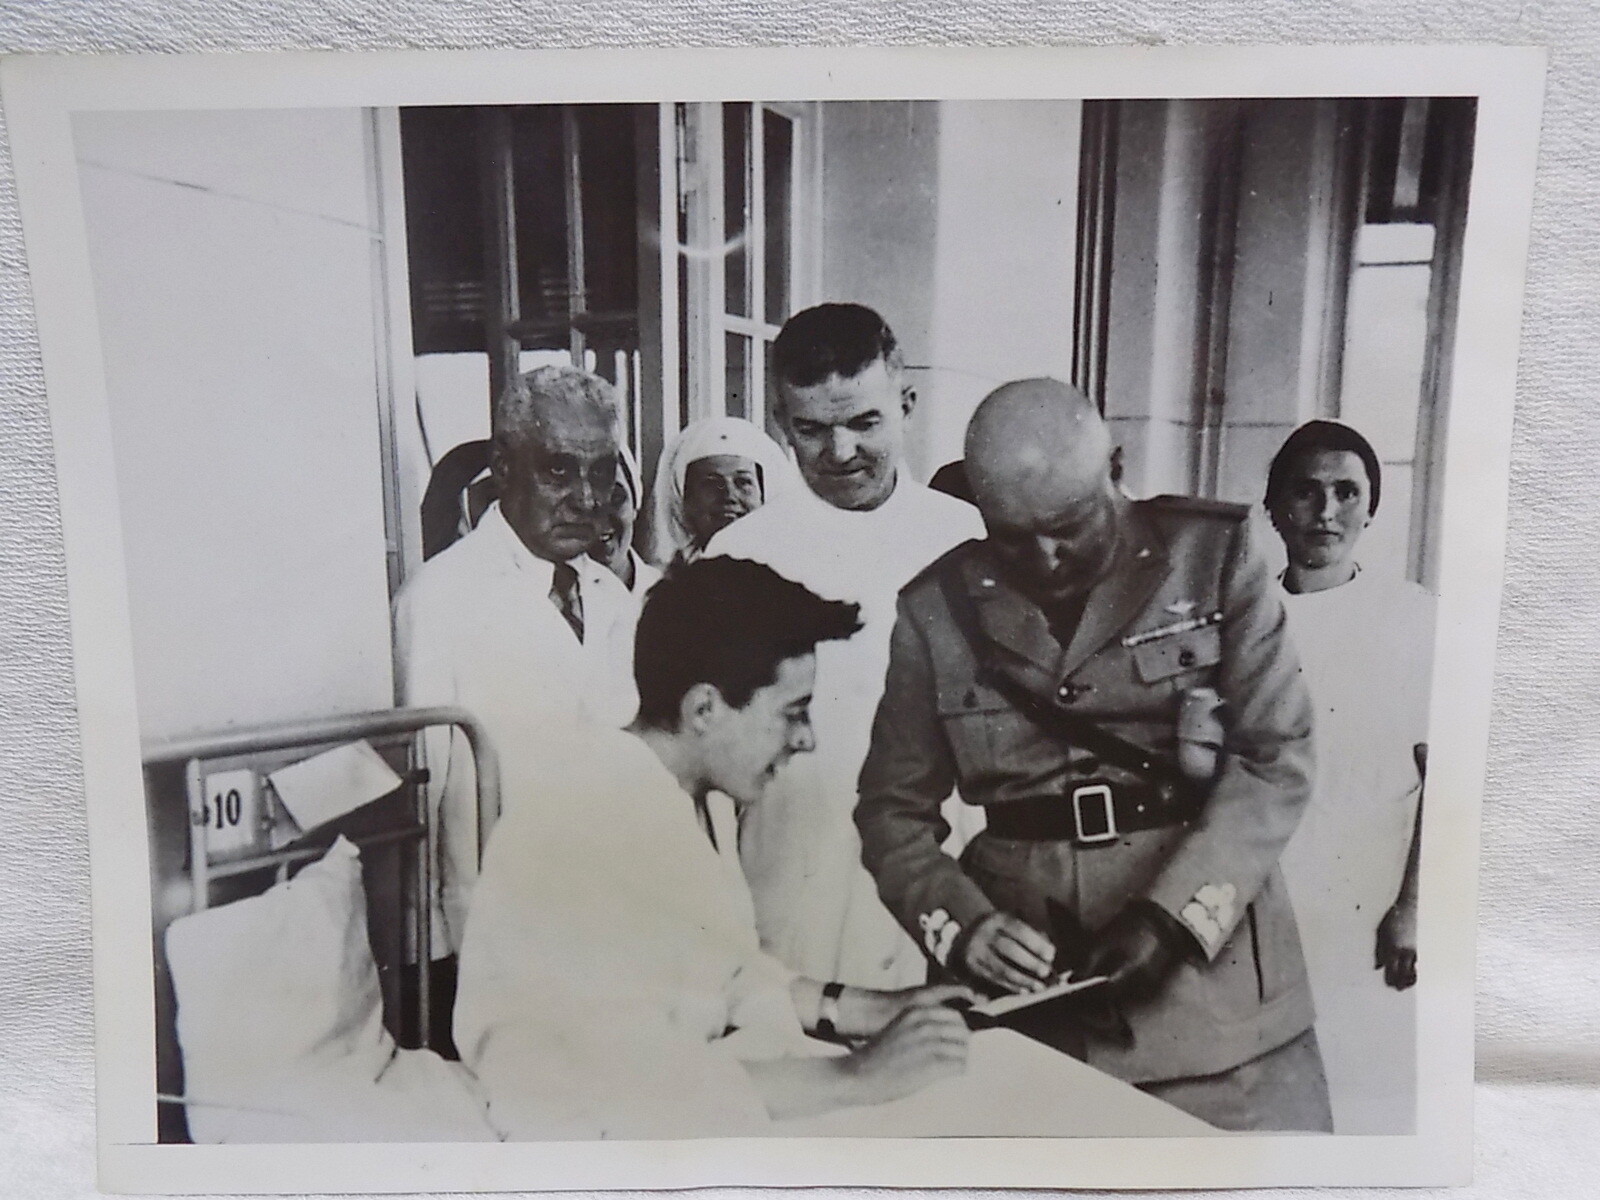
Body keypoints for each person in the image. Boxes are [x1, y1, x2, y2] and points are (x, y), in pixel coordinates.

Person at [856, 378, 1331, 1132]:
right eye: (1011, 535)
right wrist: (966, 928)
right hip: (1028, 1009)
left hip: (1218, 1011)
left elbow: (1276, 758)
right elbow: (891, 813)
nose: (1043, 558)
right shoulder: (935, 610)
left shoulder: (1212, 555)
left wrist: (1171, 920)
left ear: (1115, 467)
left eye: (1067, 526)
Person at [452, 558, 975, 1139]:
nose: (807, 739)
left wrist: (873, 1008)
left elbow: (720, 976)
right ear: (703, 709)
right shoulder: (585, 824)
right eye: (793, 713)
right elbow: (614, 1080)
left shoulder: (682, 796)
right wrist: (854, 1075)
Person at [706, 302, 986, 990]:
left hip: (957, 892)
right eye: (811, 429)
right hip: (789, 889)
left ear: (906, 405)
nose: (839, 452)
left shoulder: (971, 540)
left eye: (864, 423)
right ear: (781, 420)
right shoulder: (738, 556)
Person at [393, 364, 640, 968]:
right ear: (504, 468)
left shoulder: (614, 600)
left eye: (602, 471)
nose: (588, 499)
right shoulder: (439, 601)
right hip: (494, 945)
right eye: (558, 470)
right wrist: (432, 962)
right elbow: (420, 802)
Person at [1265, 419, 1434, 1134]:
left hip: (1370, 906)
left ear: (1372, 508)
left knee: (1363, 1100)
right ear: (1274, 507)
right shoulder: (1243, 619)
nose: (1325, 511)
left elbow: (1447, 782)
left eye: (1346, 492)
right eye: (1305, 492)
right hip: (1265, 902)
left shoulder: (1413, 618)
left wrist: (1414, 908)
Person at [646, 416, 794, 566]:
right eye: (711, 483)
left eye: (743, 482)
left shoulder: (793, 574)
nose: (729, 496)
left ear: (764, 494)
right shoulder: (668, 578)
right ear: (684, 497)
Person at [592, 444, 662, 596]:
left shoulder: (672, 594)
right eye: (588, 501)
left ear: (635, 506)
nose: (601, 516)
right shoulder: (548, 601)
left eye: (615, 497)